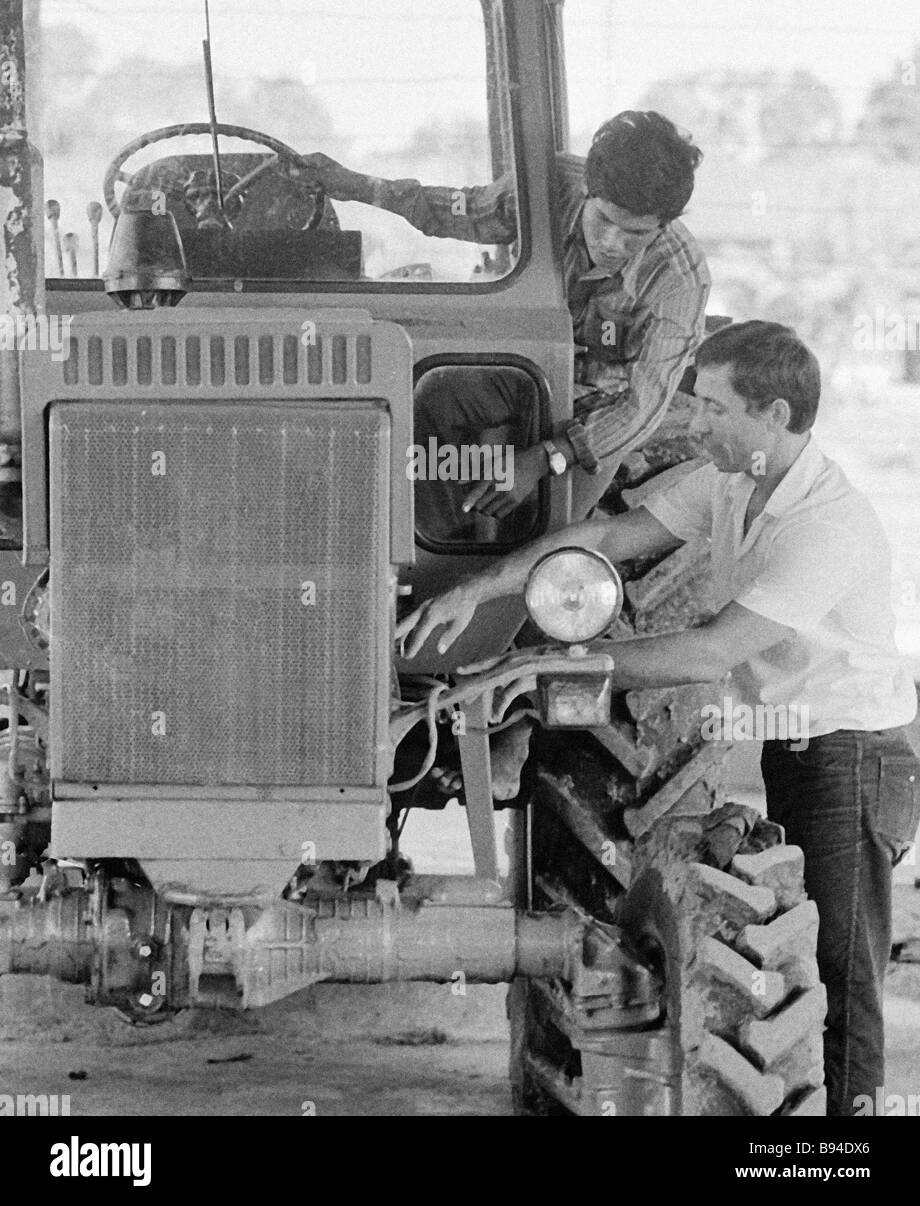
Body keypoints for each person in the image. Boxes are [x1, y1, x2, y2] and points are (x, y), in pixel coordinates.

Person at [396, 319, 920, 1117]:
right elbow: (609, 536)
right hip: (801, 749)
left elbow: (712, 652)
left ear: (773, 416)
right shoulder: (733, 482)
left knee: (842, 985)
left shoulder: (827, 526)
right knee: (807, 965)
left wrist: (548, 664)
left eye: (712, 407)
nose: (695, 421)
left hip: (853, 757)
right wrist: (482, 588)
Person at [303, 110, 710, 532]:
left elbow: (641, 407)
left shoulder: (680, 280)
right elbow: (463, 212)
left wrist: (546, 457)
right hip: (518, 375)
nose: (612, 243)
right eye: (604, 220)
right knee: (432, 396)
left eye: (635, 235)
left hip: (596, 411)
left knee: (547, 544)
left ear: (664, 225)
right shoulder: (547, 188)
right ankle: (407, 543)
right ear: (588, 189)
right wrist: (359, 186)